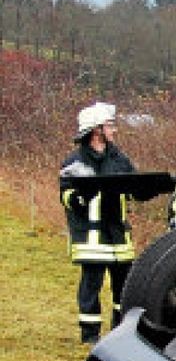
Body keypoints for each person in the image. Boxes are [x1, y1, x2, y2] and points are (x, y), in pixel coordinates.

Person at [58, 102, 136, 344]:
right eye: (110, 125)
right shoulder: (74, 162)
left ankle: (119, 334)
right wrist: (82, 195)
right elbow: (67, 197)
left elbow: (134, 185)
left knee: (123, 289)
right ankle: (90, 335)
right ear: (96, 131)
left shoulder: (120, 159)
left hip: (118, 238)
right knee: (91, 286)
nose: (114, 130)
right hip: (91, 240)